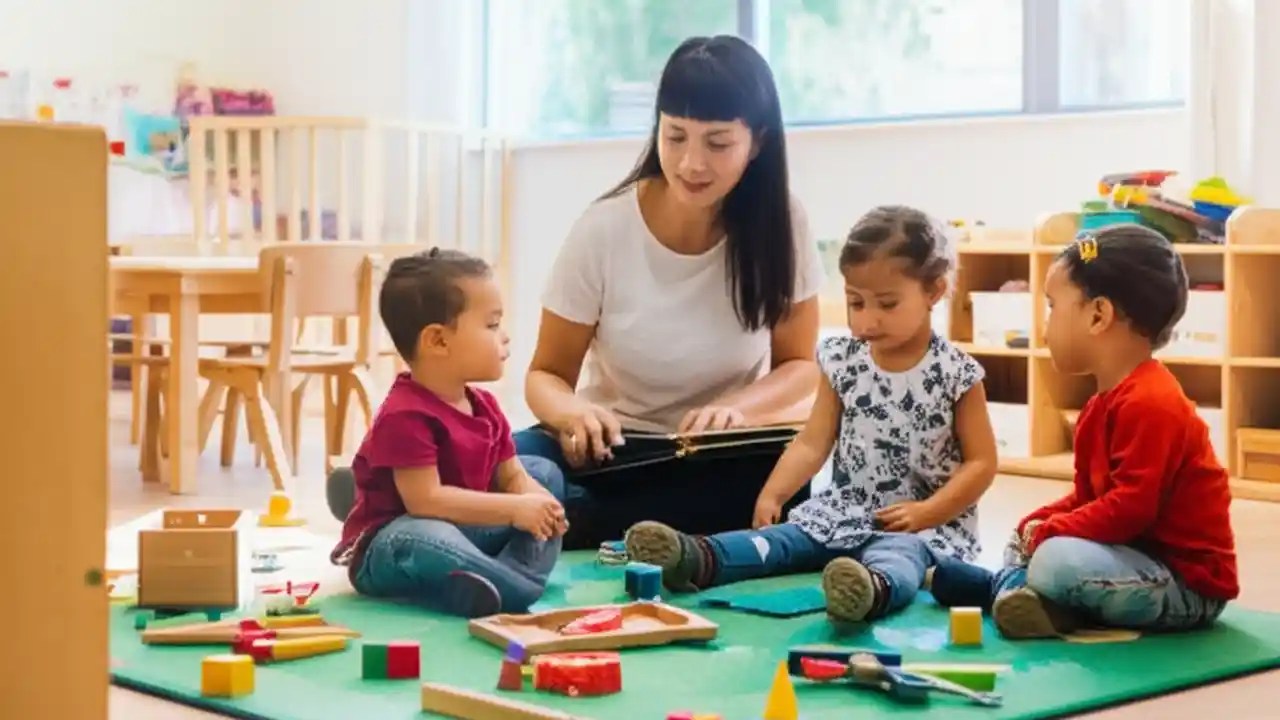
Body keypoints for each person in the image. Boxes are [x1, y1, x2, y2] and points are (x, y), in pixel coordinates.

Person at [515, 35, 827, 550]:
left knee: (785, 480)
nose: (690, 163)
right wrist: (573, 415)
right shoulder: (604, 229)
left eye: (718, 143)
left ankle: (554, 518)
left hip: (714, 454)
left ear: (760, 142)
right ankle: (524, 503)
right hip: (608, 452)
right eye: (675, 136)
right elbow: (545, 375)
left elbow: (801, 366)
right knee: (508, 459)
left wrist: (739, 409)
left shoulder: (783, 223)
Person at [625, 205, 999, 625]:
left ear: (933, 291)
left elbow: (982, 462)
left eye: (887, 304)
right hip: (845, 509)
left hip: (920, 526)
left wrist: (927, 513)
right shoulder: (844, 361)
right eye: (856, 302)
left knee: (900, 558)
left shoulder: (956, 374)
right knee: (784, 539)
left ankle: (869, 589)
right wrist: (776, 493)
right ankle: (700, 557)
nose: (867, 319)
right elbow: (812, 440)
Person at [929, 224, 1239, 638]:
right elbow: (1092, 498)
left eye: (1053, 307)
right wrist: (1041, 520)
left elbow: (1130, 508)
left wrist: (1053, 532)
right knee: (1023, 540)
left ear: (1098, 315)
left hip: (1184, 584)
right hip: (1130, 556)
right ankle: (1023, 597)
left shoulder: (1152, 402)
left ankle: (1008, 592)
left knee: (1056, 559)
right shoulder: (1100, 405)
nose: (1045, 327)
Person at [328, 248, 568, 618]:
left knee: (545, 474)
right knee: (423, 536)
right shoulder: (404, 414)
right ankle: (514, 586)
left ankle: (492, 581)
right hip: (395, 542)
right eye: (491, 325)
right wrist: (517, 509)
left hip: (463, 527)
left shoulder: (484, 405)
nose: (504, 338)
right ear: (438, 341)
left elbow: (513, 476)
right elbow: (427, 502)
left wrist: (541, 506)